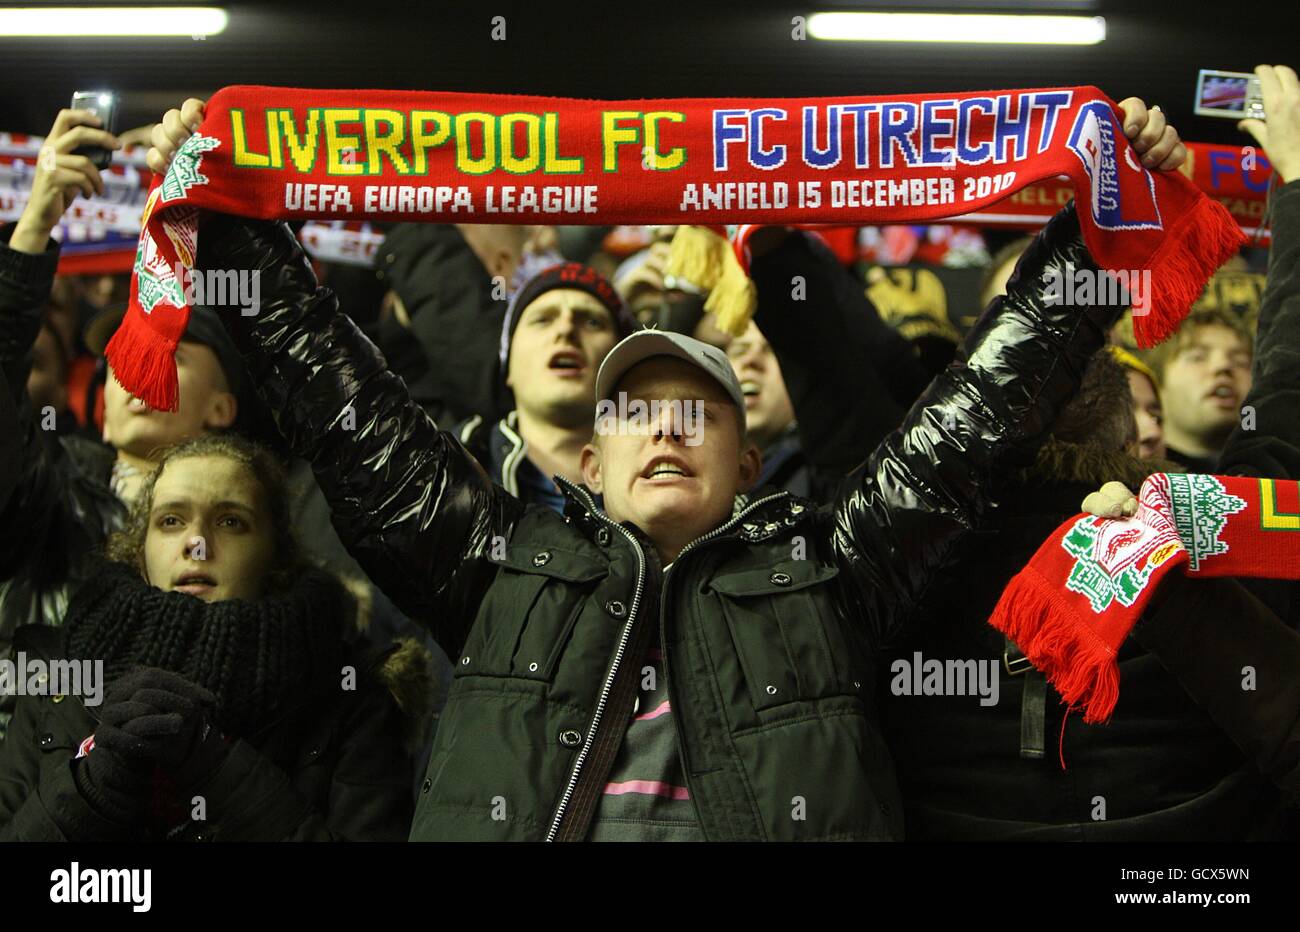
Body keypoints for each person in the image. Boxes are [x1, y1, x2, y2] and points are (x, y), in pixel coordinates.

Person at [148, 92, 1178, 841]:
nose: (669, 427)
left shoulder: (831, 575)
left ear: (746, 463)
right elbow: (343, 407)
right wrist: (231, 213)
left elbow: (977, 420)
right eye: (637, 413)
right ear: (591, 464)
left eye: (699, 410)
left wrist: (1101, 230)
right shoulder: (497, 566)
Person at [880, 63, 1300, 841]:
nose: (1075, 360)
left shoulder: (894, 550)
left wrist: (1121, 207)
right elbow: (1291, 395)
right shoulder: (893, 549)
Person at [0, 434, 419, 841]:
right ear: (138, 551)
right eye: (171, 521)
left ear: (275, 557)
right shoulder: (56, 674)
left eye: (230, 521)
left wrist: (218, 769)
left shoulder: (351, 696)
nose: (197, 544)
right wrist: (90, 791)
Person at [1145, 307, 1253, 470]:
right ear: (1157, 386)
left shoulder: (1280, 472)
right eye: (1197, 357)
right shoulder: (1135, 481)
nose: (1223, 366)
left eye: (1241, 361)